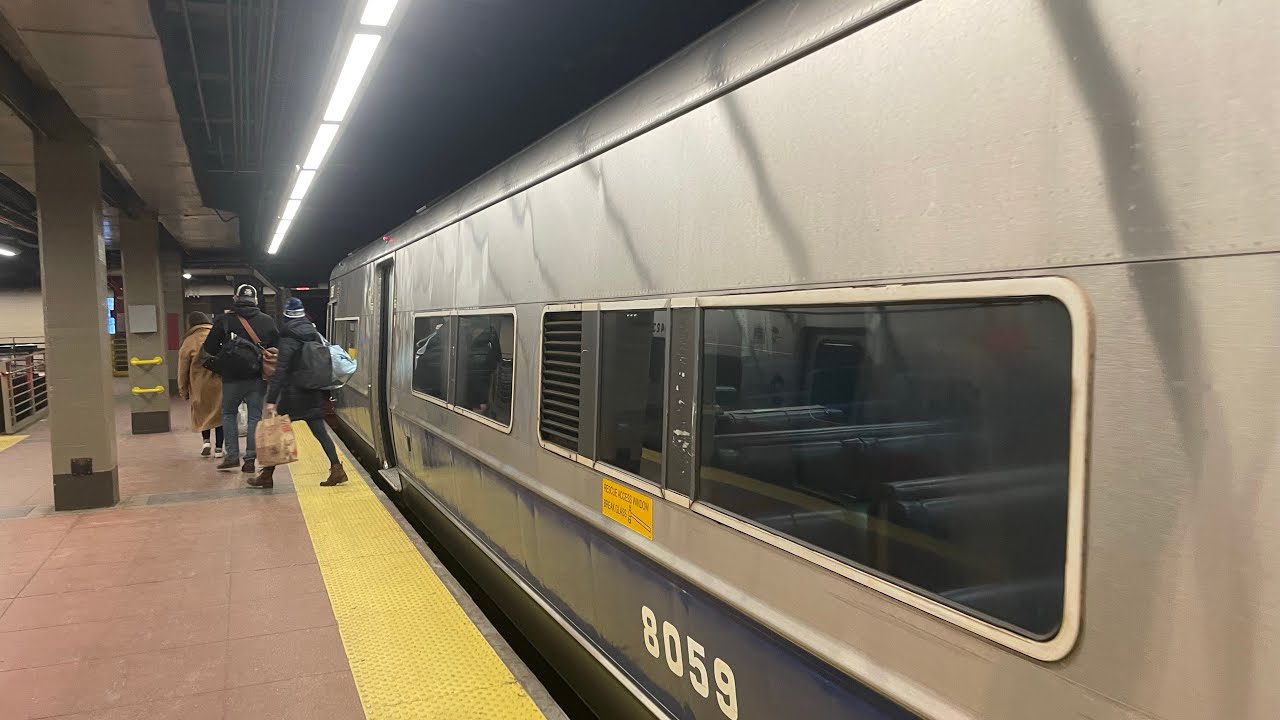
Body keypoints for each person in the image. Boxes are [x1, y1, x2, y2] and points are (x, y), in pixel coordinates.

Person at [250, 297, 347, 488]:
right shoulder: (313, 332)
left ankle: (267, 476)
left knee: (276, 432)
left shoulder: (288, 337)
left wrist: (271, 399)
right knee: (321, 433)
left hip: (293, 393)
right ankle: (337, 469)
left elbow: (281, 369)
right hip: (313, 390)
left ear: (286, 316)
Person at [203, 284, 279, 473]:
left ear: (236, 299)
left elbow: (210, 348)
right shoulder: (267, 321)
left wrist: (226, 348)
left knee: (229, 414)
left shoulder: (224, 320)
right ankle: (250, 459)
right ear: (255, 301)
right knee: (255, 417)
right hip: (256, 378)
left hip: (231, 378)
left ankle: (232, 456)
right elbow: (277, 347)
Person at [177, 311, 224, 457]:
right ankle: (218, 449)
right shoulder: (217, 336)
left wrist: (183, 390)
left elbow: (182, 369)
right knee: (219, 415)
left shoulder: (189, 341)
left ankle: (206, 442)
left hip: (199, 385)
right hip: (218, 382)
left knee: (203, 413)